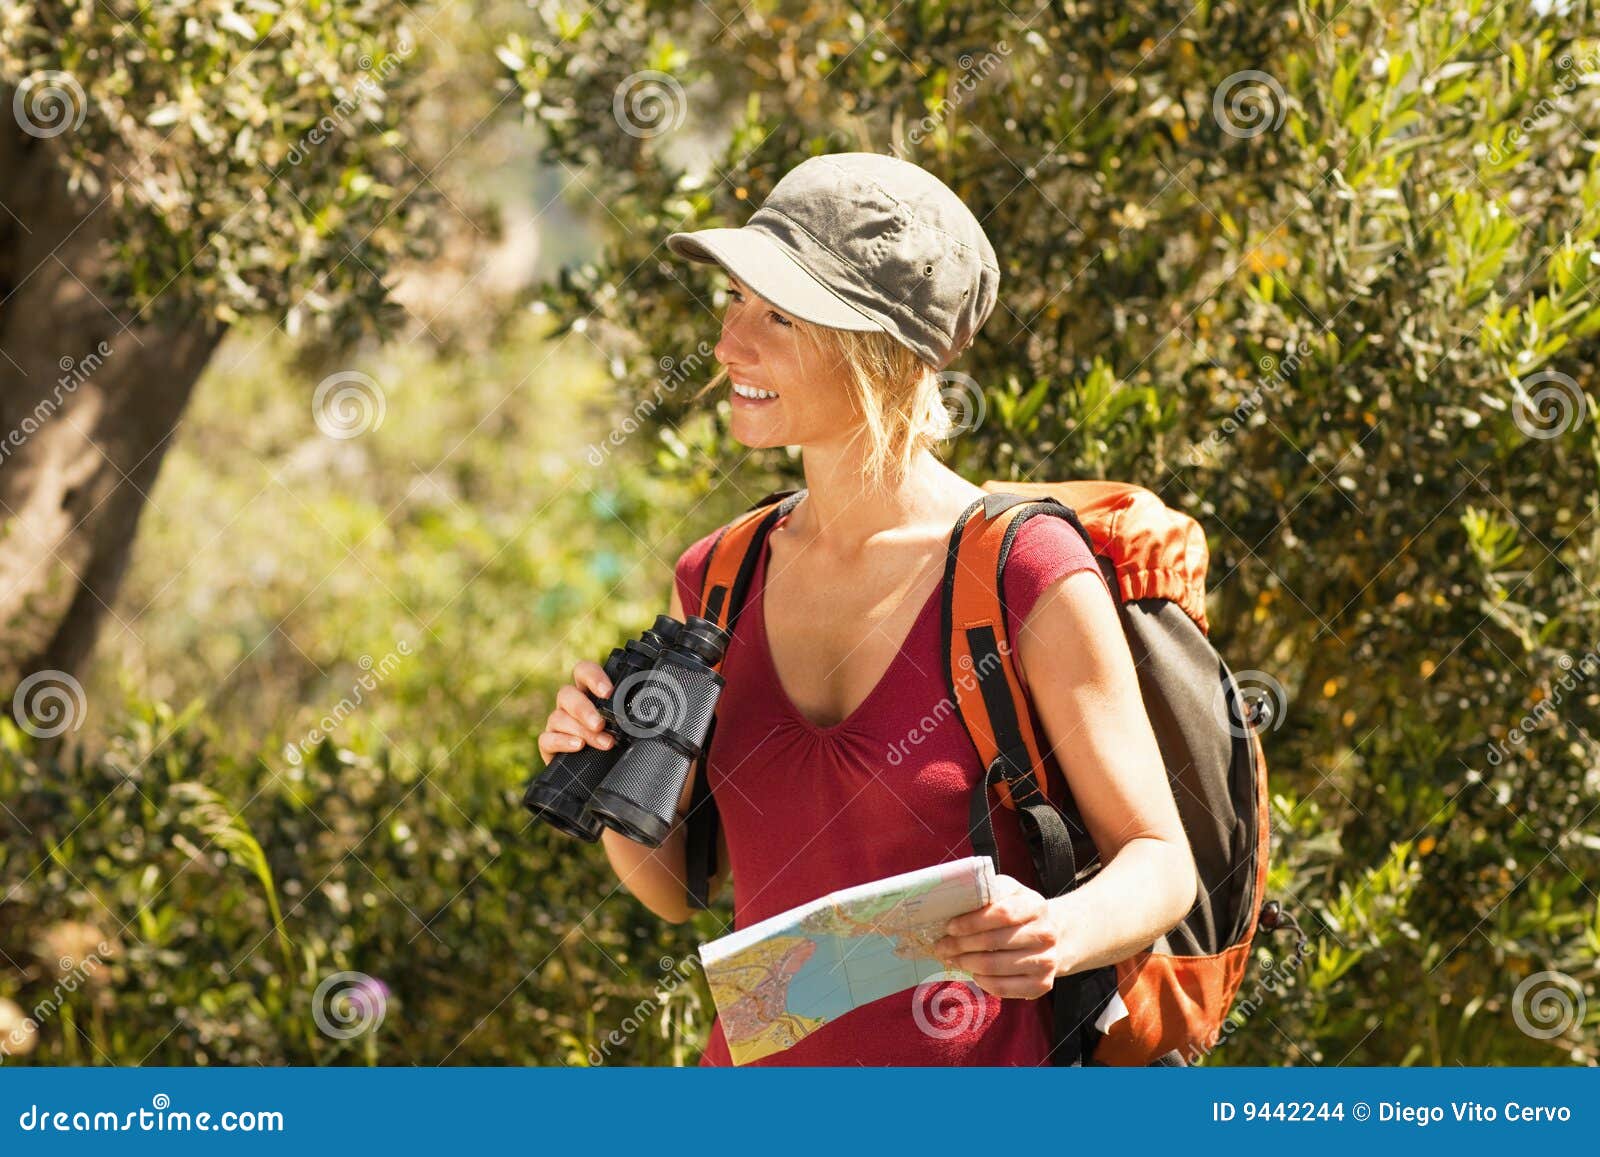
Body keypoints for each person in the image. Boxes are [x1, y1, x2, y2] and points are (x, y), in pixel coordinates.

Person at [536, 152, 1197, 1065]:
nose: (730, 343)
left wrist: (1059, 930)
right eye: (732, 298)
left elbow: (1161, 861)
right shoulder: (719, 576)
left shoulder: (1020, 570)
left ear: (878, 346)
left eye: (777, 313)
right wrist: (604, 765)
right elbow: (678, 890)